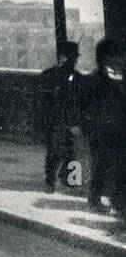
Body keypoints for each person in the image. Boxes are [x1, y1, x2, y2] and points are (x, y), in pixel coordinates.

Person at [80, 38, 126, 214]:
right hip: (102, 130)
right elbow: (85, 107)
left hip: (119, 128)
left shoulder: (119, 78)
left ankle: (118, 202)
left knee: (120, 166)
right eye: (114, 57)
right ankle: (95, 199)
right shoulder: (94, 80)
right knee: (102, 164)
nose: (119, 60)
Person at [34, 41, 81, 191]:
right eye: (73, 57)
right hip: (57, 120)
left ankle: (58, 182)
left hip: (61, 121)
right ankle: (61, 181)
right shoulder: (74, 77)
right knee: (59, 152)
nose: (75, 61)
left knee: (64, 152)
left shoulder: (49, 75)